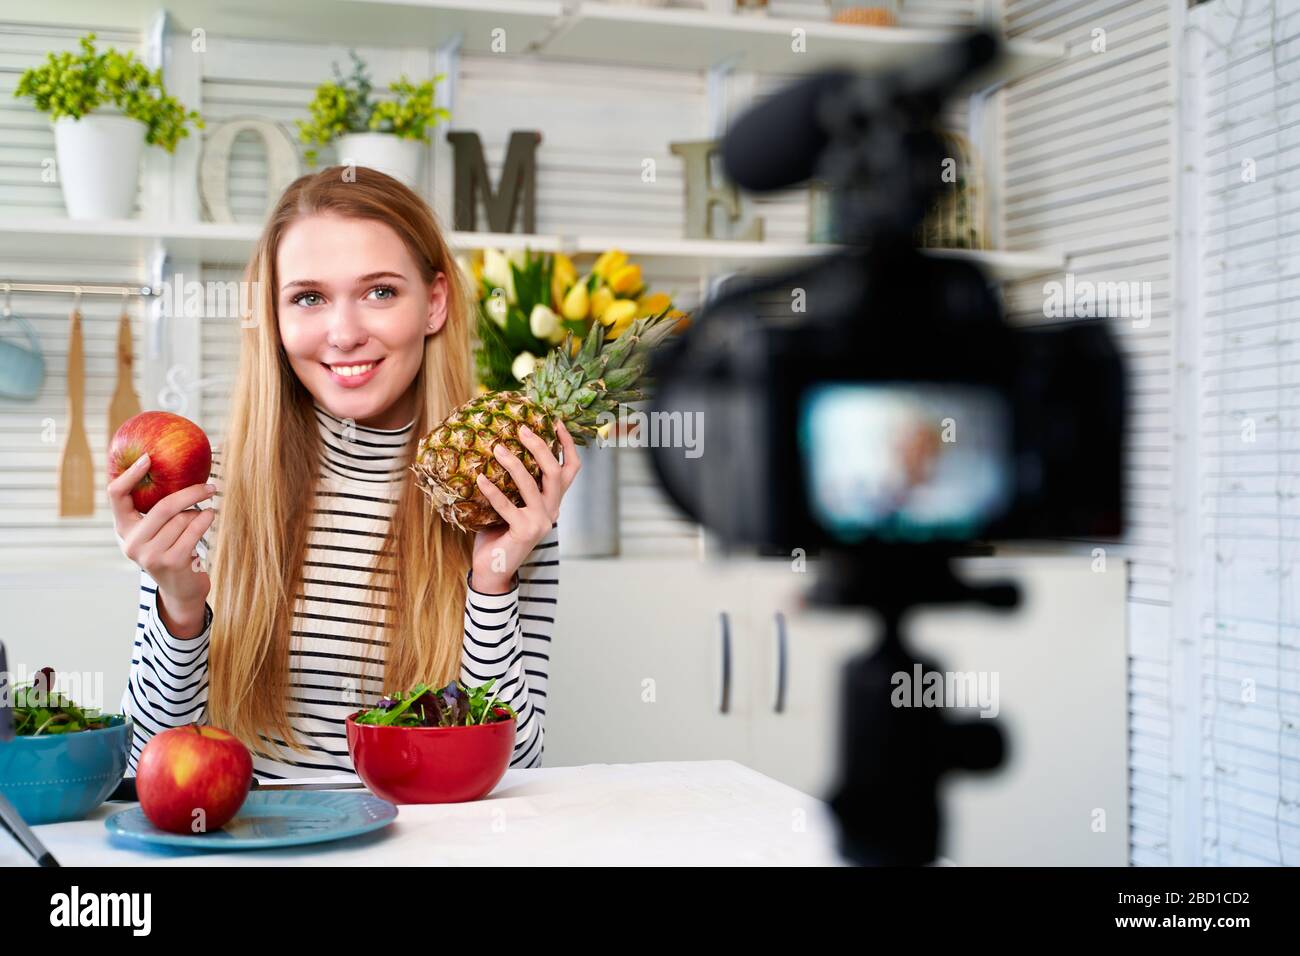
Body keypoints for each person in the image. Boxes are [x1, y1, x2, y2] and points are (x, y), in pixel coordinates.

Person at [111, 167, 579, 780]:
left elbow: (515, 764)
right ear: (273, 318)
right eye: (308, 298)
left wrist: (491, 581)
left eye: (380, 292)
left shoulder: (502, 498)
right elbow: (144, 764)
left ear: (434, 302)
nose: (346, 333)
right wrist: (179, 607)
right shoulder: (209, 491)